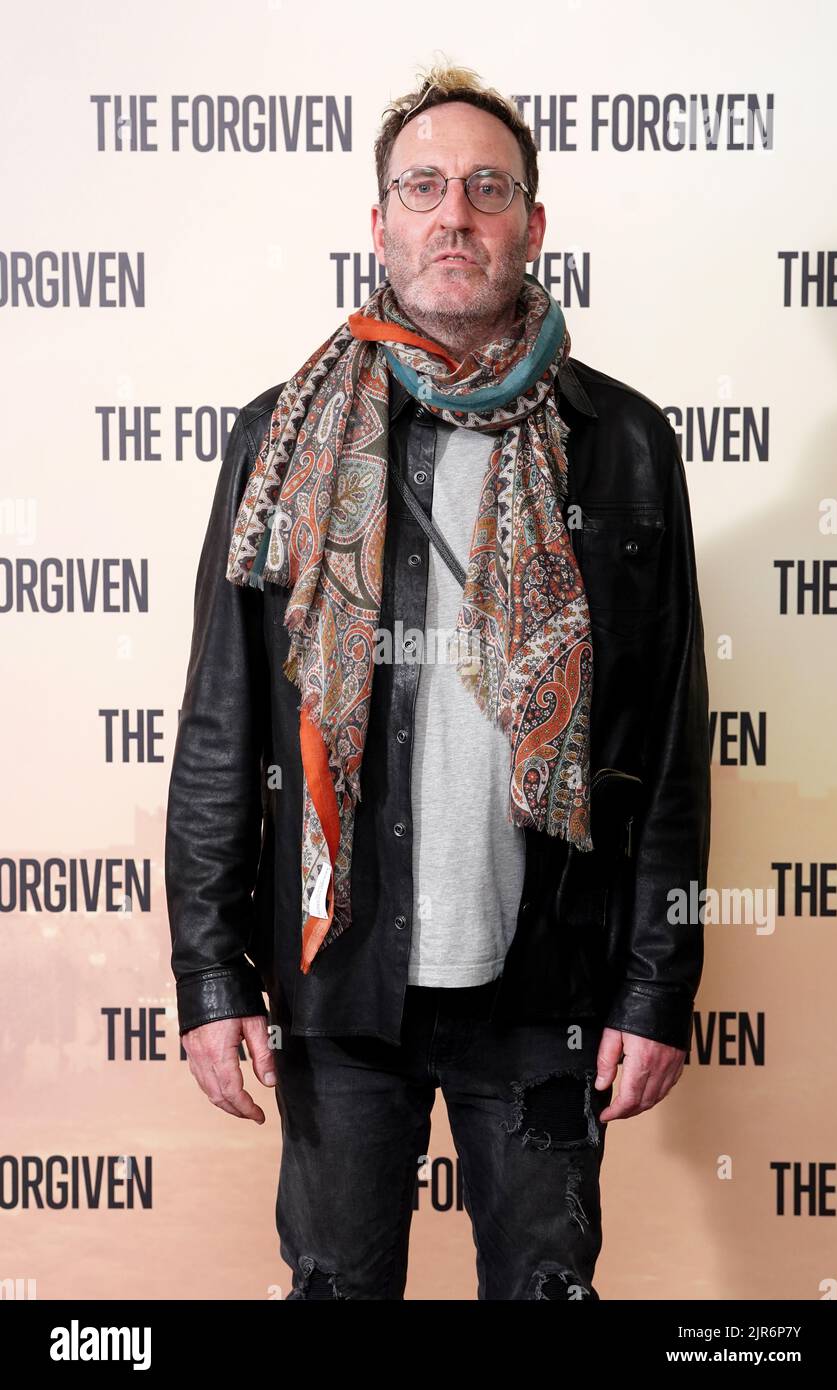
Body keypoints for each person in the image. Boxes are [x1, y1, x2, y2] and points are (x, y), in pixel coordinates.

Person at [165, 62, 711, 1301]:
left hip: (545, 987)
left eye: (484, 187)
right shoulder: (282, 438)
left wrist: (654, 985)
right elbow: (219, 723)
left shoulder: (621, 443)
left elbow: (669, 745)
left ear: (529, 221)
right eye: (421, 186)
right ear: (379, 224)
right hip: (336, 976)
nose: (450, 214)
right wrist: (210, 972)